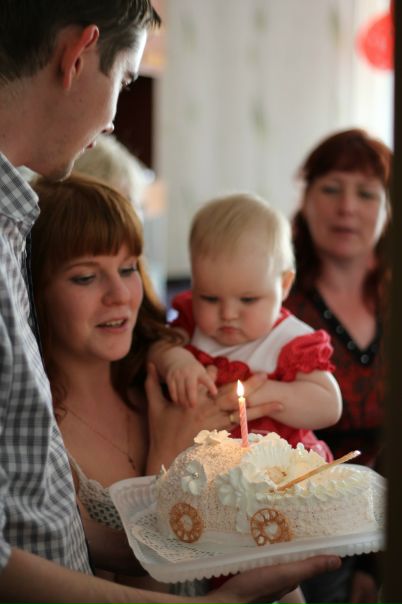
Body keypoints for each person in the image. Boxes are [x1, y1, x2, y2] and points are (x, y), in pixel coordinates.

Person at [0, 0, 342, 600]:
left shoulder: (160, 369)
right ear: (79, 55)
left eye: (129, 268)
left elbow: (64, 530)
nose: (114, 120)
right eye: (125, 80)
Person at [152, 193, 342, 460]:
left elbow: (329, 407)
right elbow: (156, 349)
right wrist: (175, 360)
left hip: (278, 469)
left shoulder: (289, 341)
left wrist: (263, 394)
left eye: (248, 300)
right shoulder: (191, 322)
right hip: (203, 466)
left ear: (284, 285)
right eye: (210, 298)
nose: (228, 314)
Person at [285, 128, 391, 604]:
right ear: (306, 199)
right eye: (331, 189)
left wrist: (375, 562)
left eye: (366, 193)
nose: (347, 207)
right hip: (304, 530)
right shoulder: (275, 301)